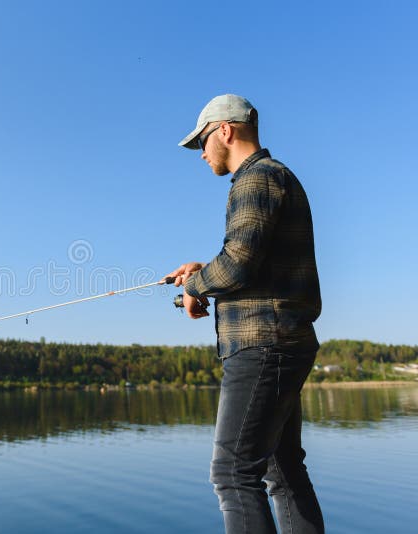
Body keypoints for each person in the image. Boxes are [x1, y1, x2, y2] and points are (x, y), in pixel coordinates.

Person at [167, 94, 325, 534]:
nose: (201, 154)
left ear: (225, 130)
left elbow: (237, 264)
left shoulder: (254, 181)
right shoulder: (275, 178)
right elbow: (249, 261)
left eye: (201, 141)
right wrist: (203, 273)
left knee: (233, 474)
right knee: (283, 471)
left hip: (262, 349)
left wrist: (197, 288)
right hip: (282, 344)